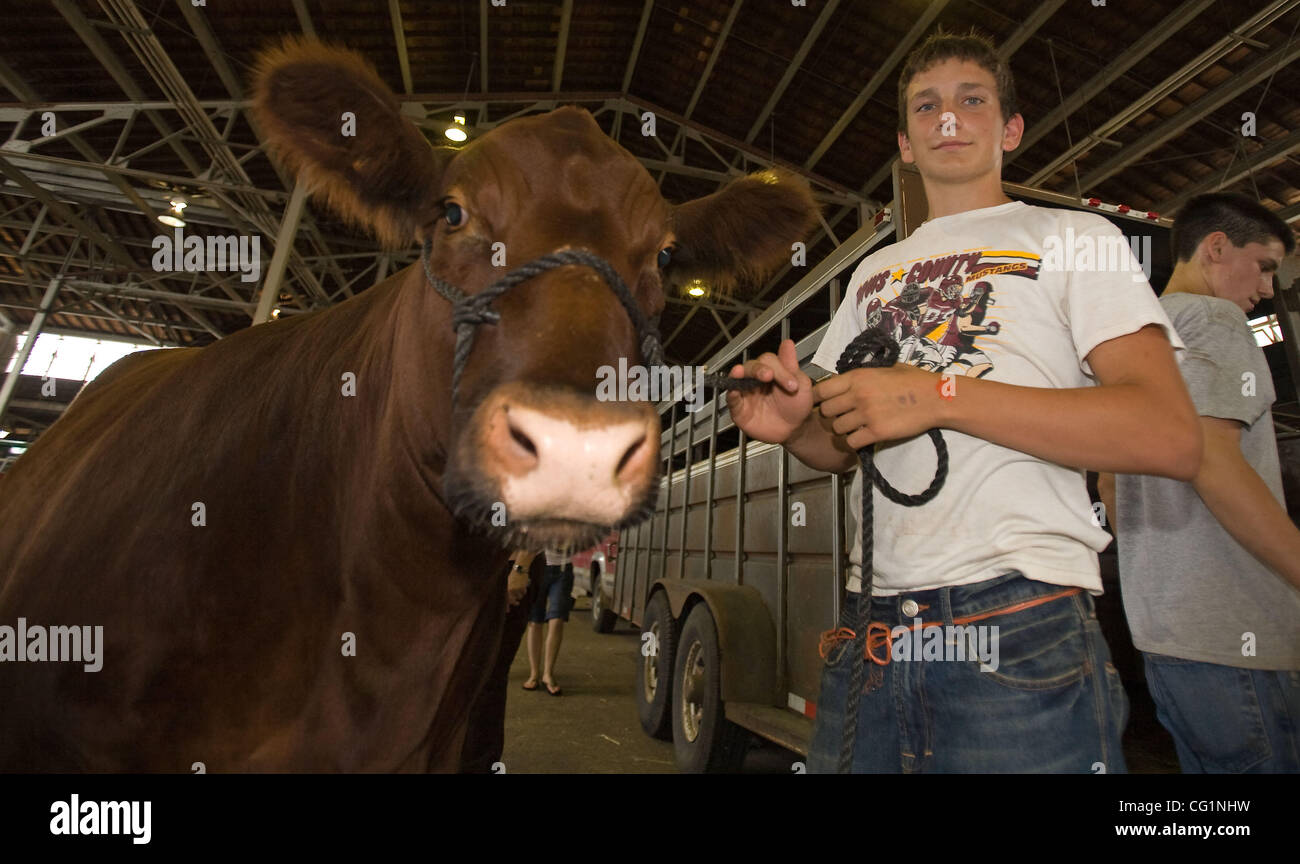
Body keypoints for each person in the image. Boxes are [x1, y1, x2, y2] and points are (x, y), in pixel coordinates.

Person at [726, 29, 1202, 773]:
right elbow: (837, 445)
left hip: (1018, 622)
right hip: (871, 632)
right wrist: (793, 427)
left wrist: (940, 394)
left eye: (971, 101)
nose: (948, 118)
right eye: (927, 106)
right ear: (906, 143)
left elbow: (1168, 433)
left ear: (1009, 129)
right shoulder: (870, 275)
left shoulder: (1073, 236)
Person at [1097, 193, 1300, 773]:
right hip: (1236, 629)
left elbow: (1110, 482)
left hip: (1166, 633)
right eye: (1263, 265)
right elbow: (1213, 460)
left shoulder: (1139, 342)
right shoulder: (1215, 319)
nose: (1266, 287)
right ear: (1216, 248)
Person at [458, 549, 540, 773]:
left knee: (487, 678)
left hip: (509, 570)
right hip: (473, 569)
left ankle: (479, 766)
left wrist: (520, 568)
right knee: (463, 679)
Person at [523, 547, 575, 696]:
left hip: (563, 568)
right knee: (534, 621)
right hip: (538, 566)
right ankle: (534, 674)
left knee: (557, 619)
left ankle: (548, 674)